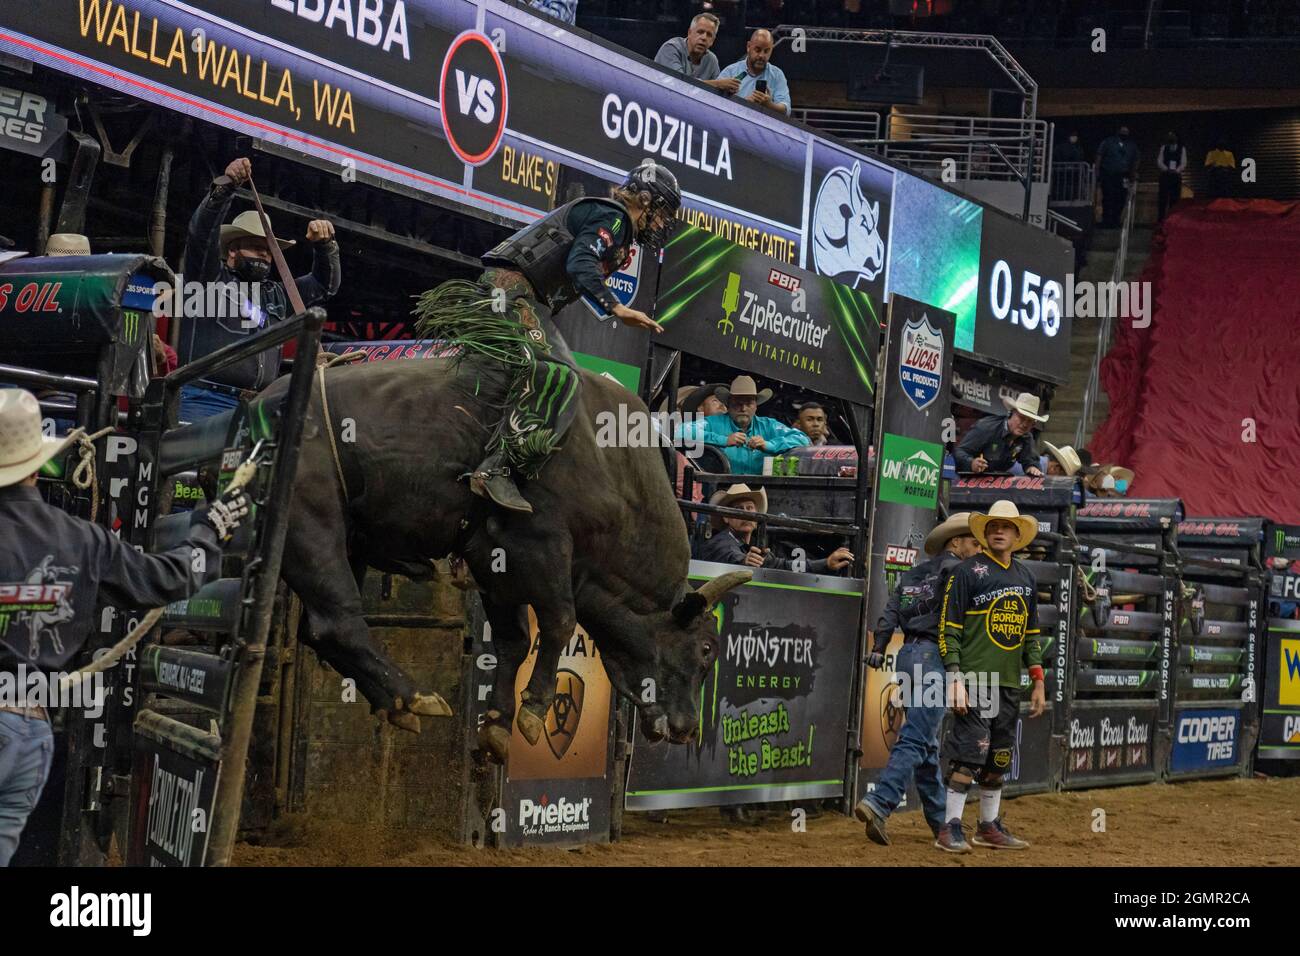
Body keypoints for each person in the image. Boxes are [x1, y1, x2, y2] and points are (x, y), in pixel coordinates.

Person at [0, 389, 247, 865]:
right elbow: (172, 577)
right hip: (30, 728)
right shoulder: (84, 540)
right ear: (35, 465)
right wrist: (210, 531)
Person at [414, 159, 680, 514]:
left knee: (517, 376)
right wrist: (616, 307)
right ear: (646, 199)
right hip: (513, 293)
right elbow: (580, 262)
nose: (662, 224)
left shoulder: (613, 222)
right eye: (663, 212)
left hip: (510, 293)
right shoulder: (613, 217)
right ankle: (498, 469)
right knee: (560, 374)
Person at [176, 156, 341, 424]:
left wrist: (326, 247)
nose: (264, 255)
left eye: (268, 250)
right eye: (256, 247)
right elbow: (201, 234)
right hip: (204, 400)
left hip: (258, 407)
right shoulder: (209, 279)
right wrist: (226, 188)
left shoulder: (276, 294)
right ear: (231, 251)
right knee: (197, 466)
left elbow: (325, 286)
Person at [855, 512, 982, 847]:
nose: (977, 549)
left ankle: (941, 823)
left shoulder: (911, 575)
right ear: (956, 543)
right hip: (934, 657)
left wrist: (880, 648)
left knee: (926, 743)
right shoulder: (959, 572)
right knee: (917, 737)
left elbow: (889, 615)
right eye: (973, 542)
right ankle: (880, 802)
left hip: (907, 655)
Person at [936, 500, 1046, 853]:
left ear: (1017, 535)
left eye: (1006, 527)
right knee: (970, 755)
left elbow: (1031, 634)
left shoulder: (1027, 577)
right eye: (994, 526)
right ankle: (949, 827)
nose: (999, 531)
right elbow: (948, 628)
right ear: (985, 533)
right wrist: (954, 677)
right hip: (975, 679)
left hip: (1010, 682)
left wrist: (1039, 679)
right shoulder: (967, 572)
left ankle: (987, 826)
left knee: (998, 758)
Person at [698, 484, 853, 573]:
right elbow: (732, 558)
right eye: (738, 509)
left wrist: (826, 563)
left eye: (749, 508)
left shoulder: (754, 544)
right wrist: (744, 562)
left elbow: (782, 565)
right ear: (726, 517)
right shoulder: (720, 543)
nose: (745, 513)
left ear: (757, 515)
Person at [676, 375, 813, 474]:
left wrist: (769, 445)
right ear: (728, 405)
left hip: (758, 495)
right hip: (718, 494)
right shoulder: (712, 422)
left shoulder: (768, 425)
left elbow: (802, 439)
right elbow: (679, 432)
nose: (743, 408)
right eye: (738, 402)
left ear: (756, 406)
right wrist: (724, 440)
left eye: (748, 403)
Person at [952, 392, 1047, 476]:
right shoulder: (986, 428)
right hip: (966, 483)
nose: (1025, 424)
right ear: (1010, 413)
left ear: (1033, 424)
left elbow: (1030, 461)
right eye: (1021, 418)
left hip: (996, 485)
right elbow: (959, 452)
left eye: (1029, 421)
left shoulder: (1026, 437)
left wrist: (1032, 468)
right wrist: (971, 463)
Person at [654, 13, 738, 92]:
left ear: (712, 41)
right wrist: (717, 84)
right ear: (689, 33)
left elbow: (715, 95)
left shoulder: (712, 60)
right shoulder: (671, 48)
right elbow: (679, 85)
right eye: (700, 32)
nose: (704, 38)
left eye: (709, 35)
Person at [719, 29, 791, 116]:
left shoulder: (777, 75)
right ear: (748, 47)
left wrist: (769, 105)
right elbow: (715, 102)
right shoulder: (730, 71)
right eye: (757, 50)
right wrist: (744, 104)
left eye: (766, 51)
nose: (761, 55)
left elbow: (786, 111)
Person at [1095, 125, 1139, 228]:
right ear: (1118, 131)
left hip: (1123, 175)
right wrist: (1097, 172)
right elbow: (1099, 156)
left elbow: (1136, 159)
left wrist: (1133, 172)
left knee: (1121, 198)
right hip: (1108, 174)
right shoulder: (1108, 142)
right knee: (1108, 197)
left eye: (1126, 132)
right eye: (1123, 131)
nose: (1124, 134)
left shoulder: (1131, 145)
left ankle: (1116, 220)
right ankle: (1106, 221)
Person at [1156, 131, 1188, 221]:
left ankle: (1172, 220)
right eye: (1170, 136)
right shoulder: (1163, 147)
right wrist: (1166, 169)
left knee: (1175, 199)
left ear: (1177, 138)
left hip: (1176, 176)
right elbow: (1159, 161)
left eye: (1173, 136)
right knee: (1162, 199)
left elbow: (1184, 162)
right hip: (1165, 176)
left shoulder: (1182, 148)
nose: (1171, 138)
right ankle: (1161, 220)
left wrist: (1177, 170)